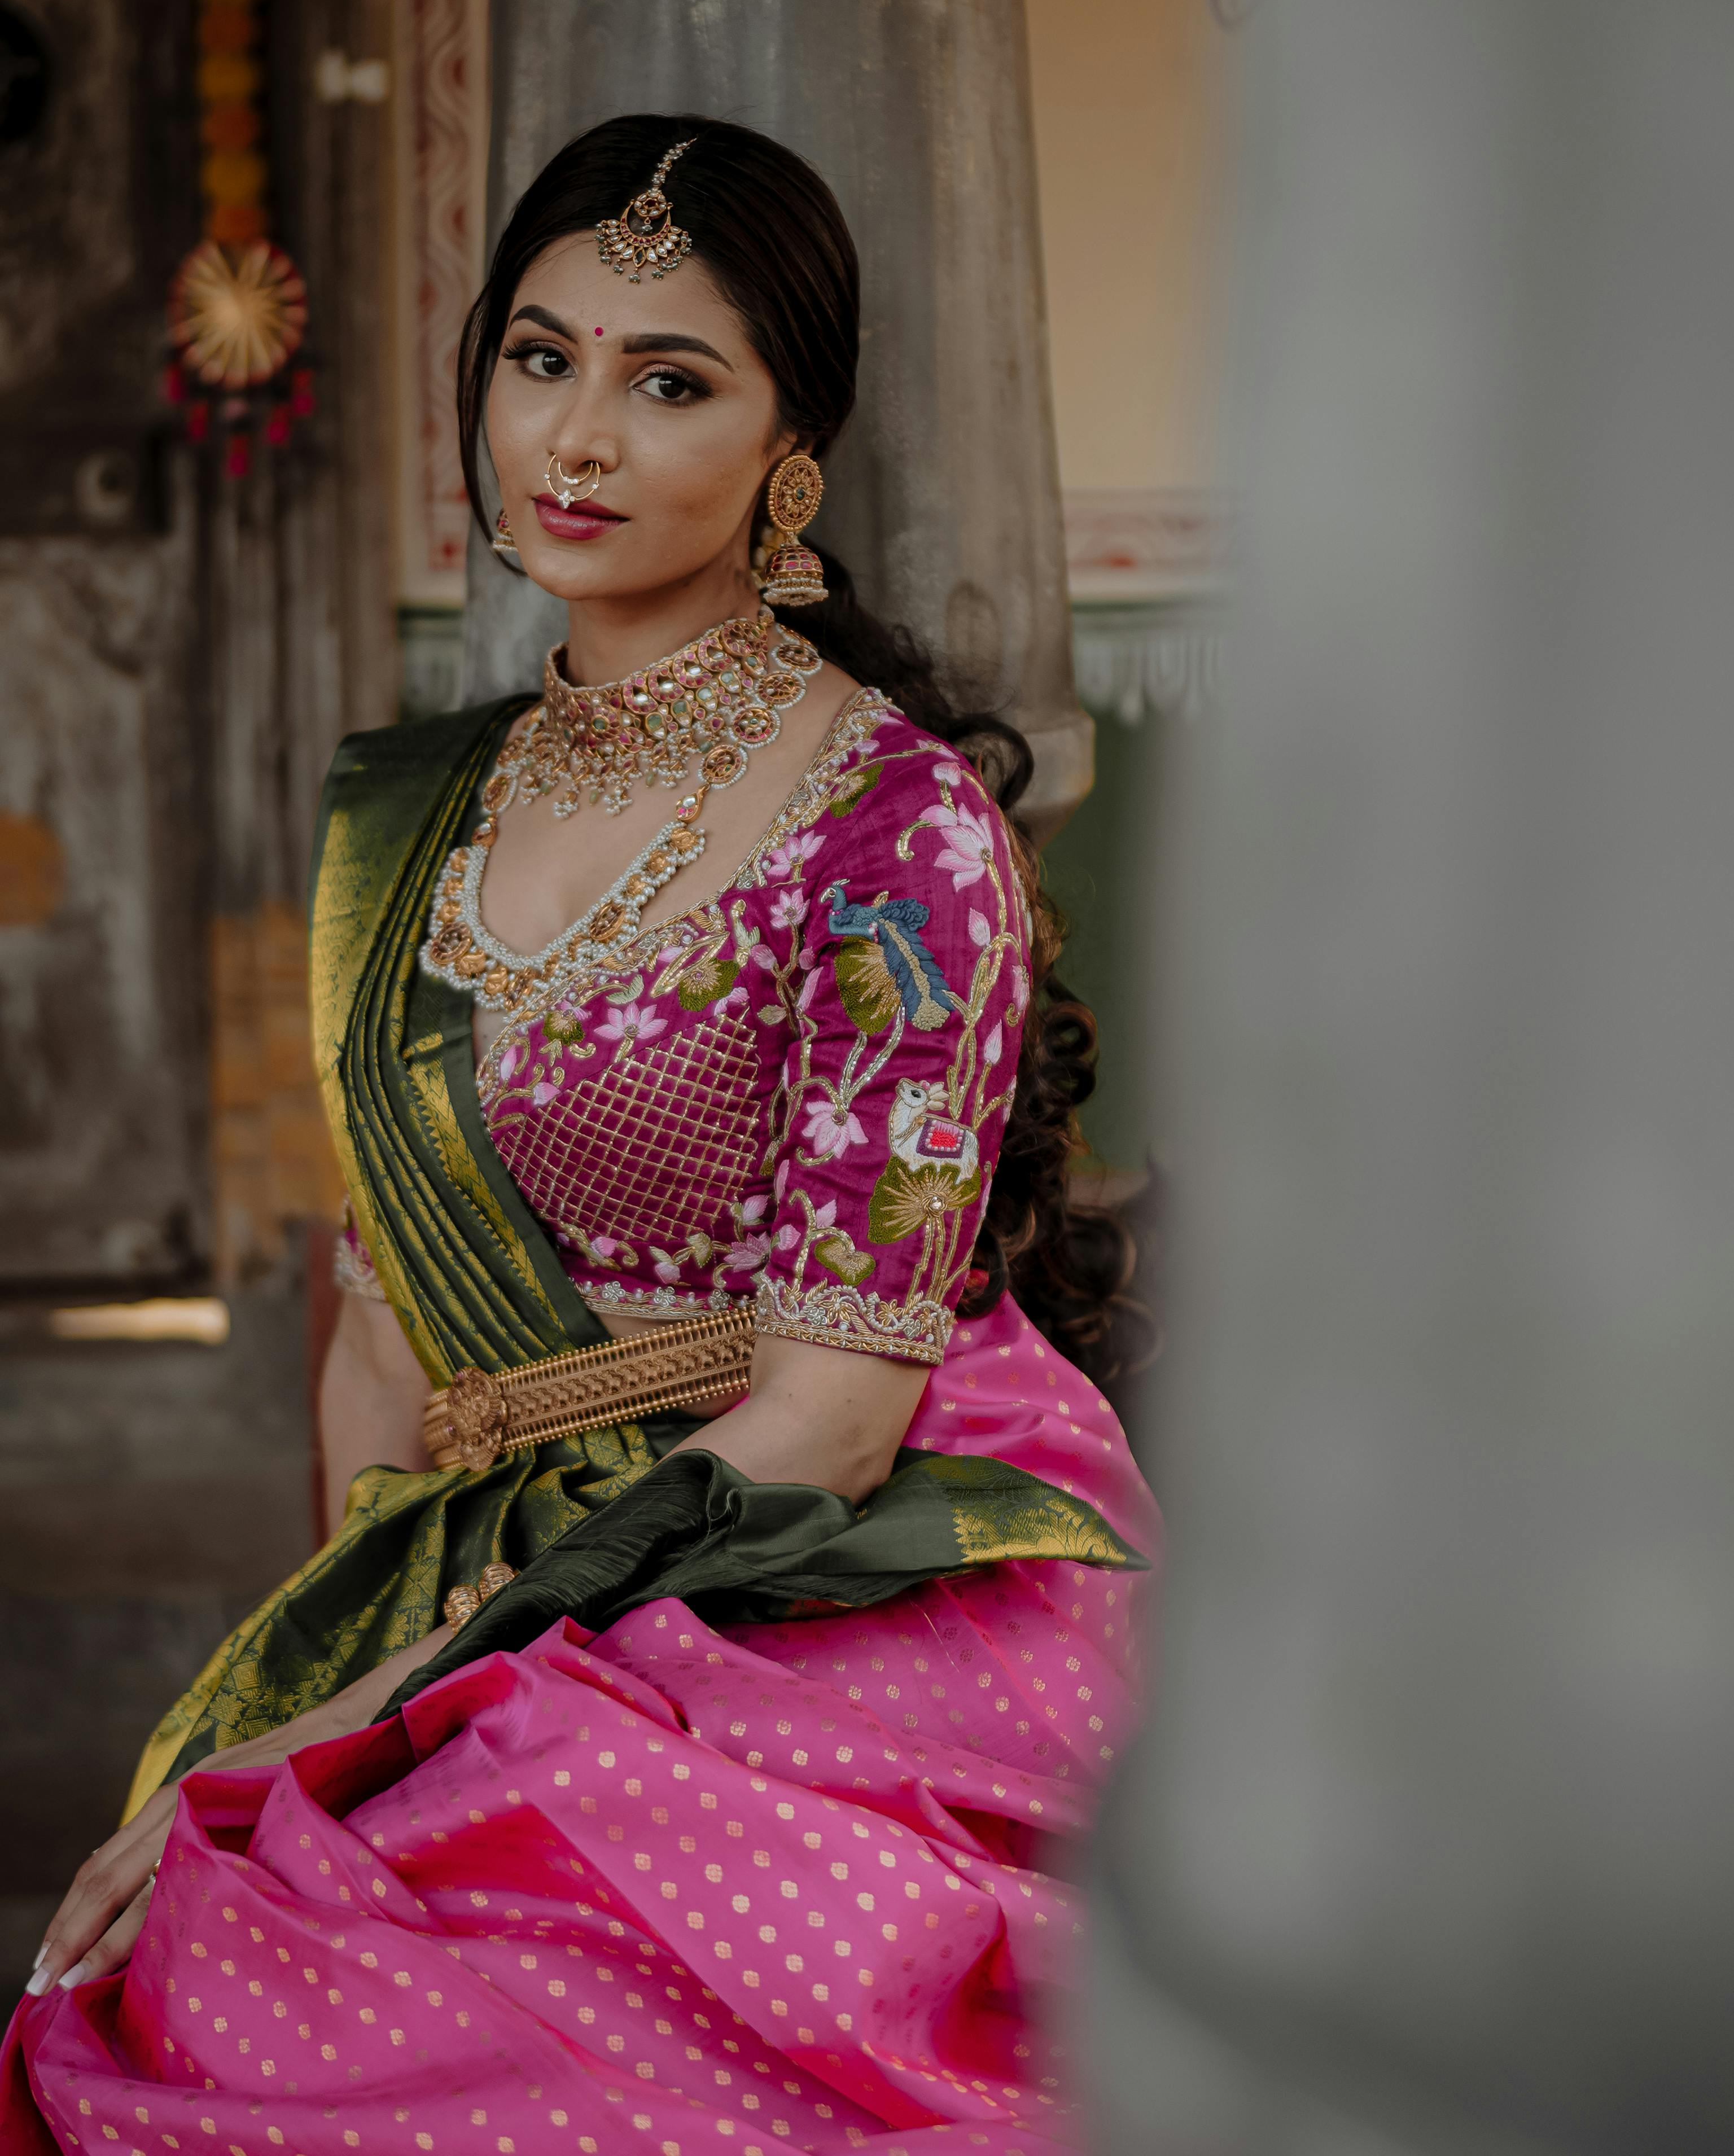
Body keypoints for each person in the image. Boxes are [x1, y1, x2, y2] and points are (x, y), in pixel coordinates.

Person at [4, 118, 1157, 2152]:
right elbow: (385, 1337)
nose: (582, 438)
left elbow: (827, 1425)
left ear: (795, 450)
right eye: (542, 358)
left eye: (671, 381)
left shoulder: (896, 839)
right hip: (481, 1572)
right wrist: (332, 1697)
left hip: (812, 1573)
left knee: (548, 2028)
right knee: (228, 1953)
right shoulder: (415, 811)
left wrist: (401, 1699)